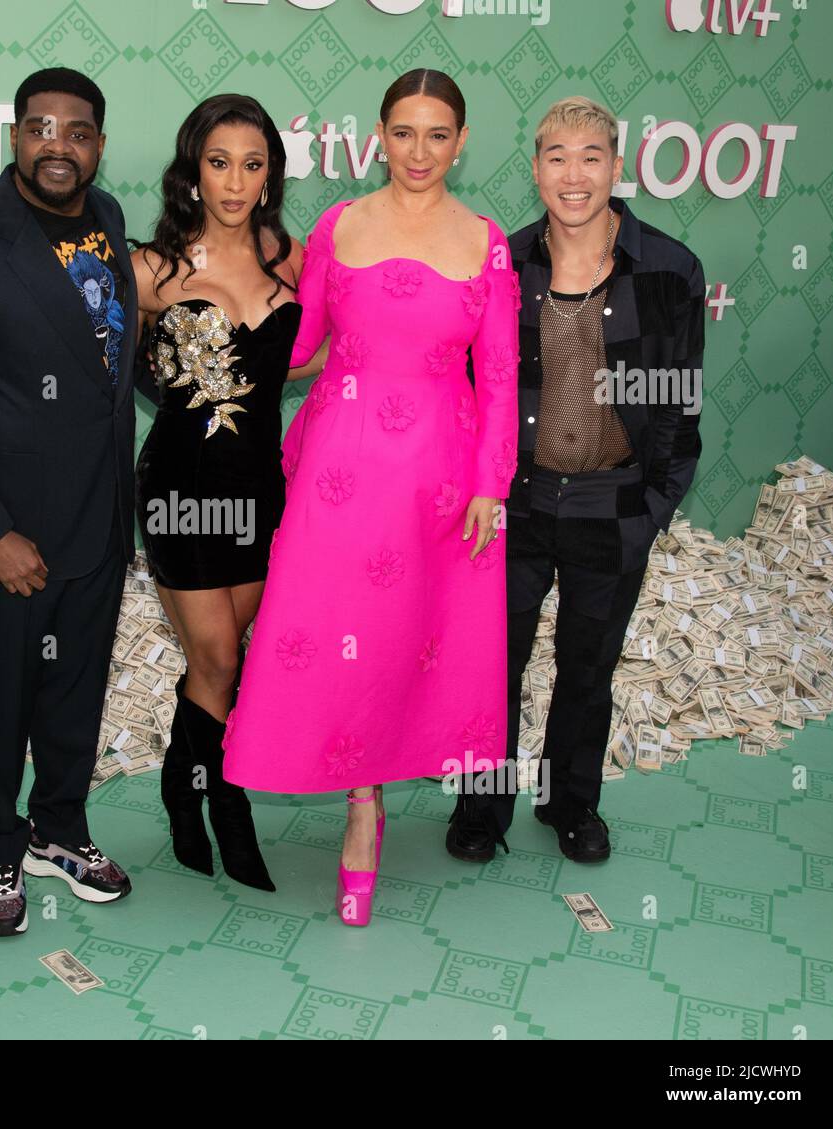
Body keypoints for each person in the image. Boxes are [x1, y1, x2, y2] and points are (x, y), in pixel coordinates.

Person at [221, 69, 520, 926]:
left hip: (437, 475)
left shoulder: (486, 241)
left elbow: (498, 379)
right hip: (339, 470)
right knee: (331, 631)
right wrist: (214, 354)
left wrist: (489, 485)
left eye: (437, 135)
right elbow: (303, 344)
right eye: (403, 132)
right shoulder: (339, 224)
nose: (418, 151)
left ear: (461, 143)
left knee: (405, 638)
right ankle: (360, 802)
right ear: (377, 136)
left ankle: (373, 795)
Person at [0, 68, 154, 938]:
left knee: (75, 693)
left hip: (96, 517)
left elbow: (109, 366)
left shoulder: (108, 220)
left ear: (98, 145)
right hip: (2, 531)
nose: (60, 144)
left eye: (78, 131)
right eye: (41, 128)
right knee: (4, 698)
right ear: (14, 137)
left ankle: (60, 828)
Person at [446, 96, 705, 864]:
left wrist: (653, 505)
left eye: (591, 156)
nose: (574, 174)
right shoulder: (505, 265)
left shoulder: (669, 269)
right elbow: (475, 392)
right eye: (557, 156)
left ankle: (570, 803)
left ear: (617, 168)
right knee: (492, 666)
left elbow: (679, 404)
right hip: (517, 502)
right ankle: (477, 810)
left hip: (613, 503)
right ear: (535, 169)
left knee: (587, 669)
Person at [133, 94, 311, 891]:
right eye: (218, 162)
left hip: (259, 488)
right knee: (214, 652)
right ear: (192, 171)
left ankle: (182, 782)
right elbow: (113, 366)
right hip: (180, 487)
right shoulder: (152, 268)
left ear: (270, 173)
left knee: (230, 664)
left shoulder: (289, 258)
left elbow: (290, 363)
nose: (234, 181)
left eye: (252, 163)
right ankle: (228, 806)